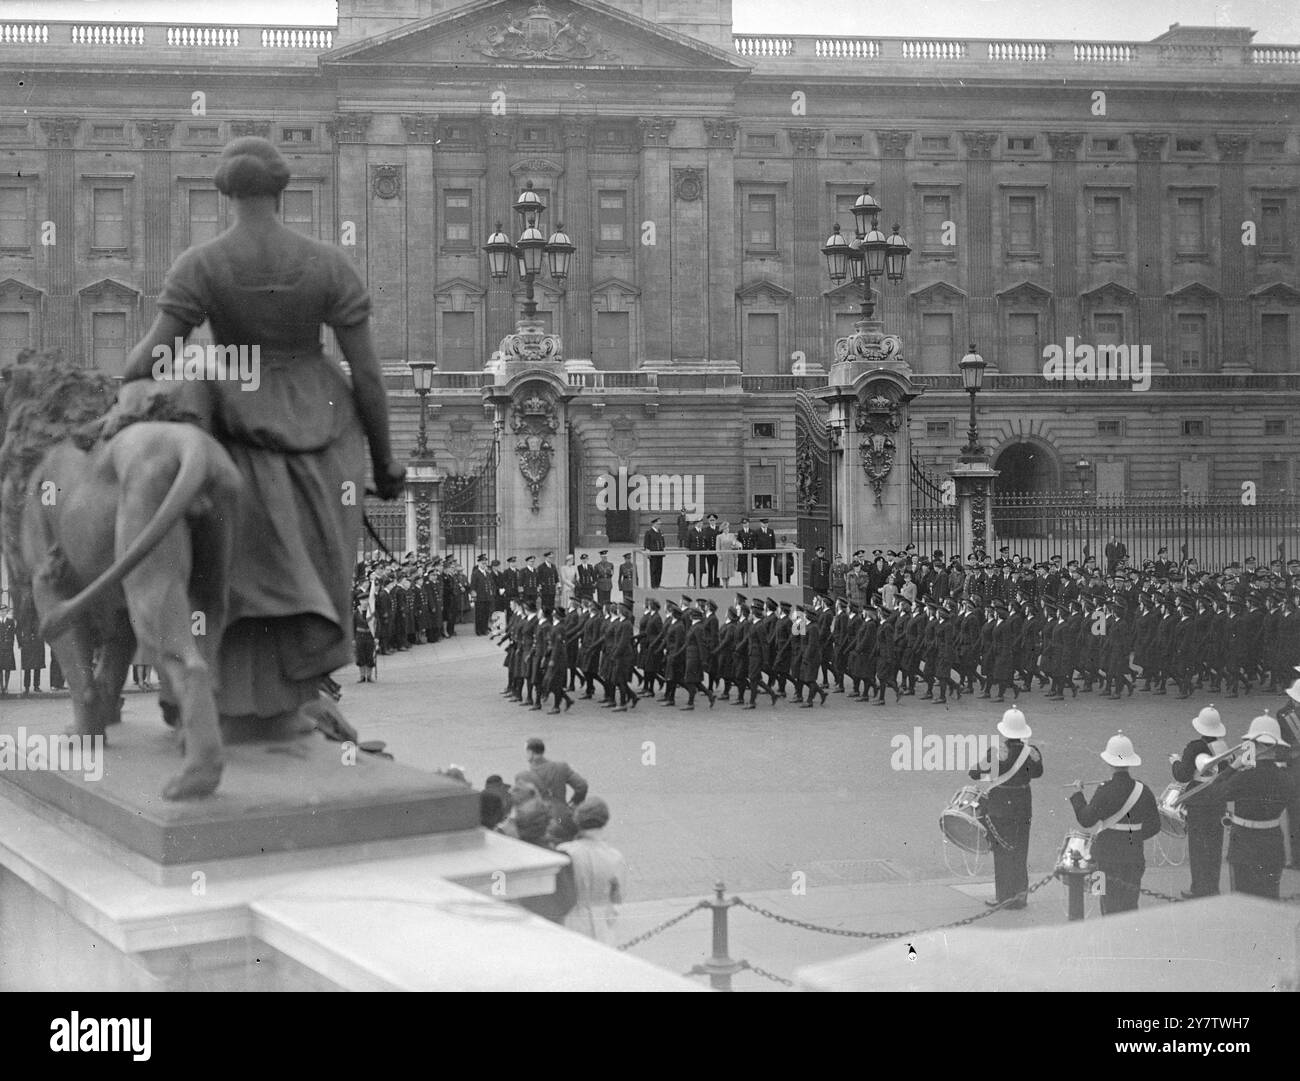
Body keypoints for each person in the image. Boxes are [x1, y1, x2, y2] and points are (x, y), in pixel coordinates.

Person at [118, 136, 404, 743]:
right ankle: (283, 705)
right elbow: (370, 378)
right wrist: (386, 464)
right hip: (325, 432)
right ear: (282, 190)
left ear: (226, 192)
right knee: (311, 572)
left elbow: (148, 357)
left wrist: (148, 381)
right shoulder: (328, 263)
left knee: (227, 573)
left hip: (231, 423)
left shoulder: (202, 263)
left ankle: (221, 702)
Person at [1069, 732, 1161, 914]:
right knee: (1130, 903)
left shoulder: (1105, 789)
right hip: (1134, 854)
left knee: (1106, 902)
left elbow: (1086, 820)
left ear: (1110, 762)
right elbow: (1155, 825)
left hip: (1104, 856)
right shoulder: (1143, 790)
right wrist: (1133, 835)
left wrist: (1078, 795)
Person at [969, 707, 1043, 908]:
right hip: (1023, 807)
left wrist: (992, 773)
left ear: (1004, 731)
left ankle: (1003, 897)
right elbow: (1038, 773)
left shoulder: (996, 753)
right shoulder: (1032, 752)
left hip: (1000, 808)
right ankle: (1020, 895)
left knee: (1002, 854)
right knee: (1020, 851)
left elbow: (974, 773)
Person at [1215, 713, 1292, 899]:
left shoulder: (1245, 775)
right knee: (1269, 900)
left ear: (1257, 745)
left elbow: (1215, 792)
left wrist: (1234, 766)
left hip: (1244, 844)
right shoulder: (1284, 776)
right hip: (1272, 842)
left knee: (1244, 904)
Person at [1168, 704, 1228, 898]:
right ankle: (1212, 887)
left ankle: (1199, 888)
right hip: (1217, 799)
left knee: (1198, 848)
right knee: (1214, 846)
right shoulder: (1223, 746)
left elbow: (1183, 775)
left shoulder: (1194, 747)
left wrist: (1175, 762)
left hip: (1199, 801)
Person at [558, 797, 627, 945]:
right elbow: (617, 896)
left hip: (572, 921)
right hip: (603, 924)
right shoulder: (615, 857)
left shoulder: (565, 851)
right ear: (605, 821)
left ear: (578, 821)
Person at [525, 737, 588, 819]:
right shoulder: (561, 767)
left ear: (530, 753)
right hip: (561, 818)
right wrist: (573, 804)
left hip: (540, 822)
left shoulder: (526, 776)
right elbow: (582, 786)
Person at [470, 554, 493, 636]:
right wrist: (474, 597)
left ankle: (485, 629)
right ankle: (478, 630)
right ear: (479, 563)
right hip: (479, 597)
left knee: (486, 614)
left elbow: (490, 584)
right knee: (479, 614)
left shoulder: (487, 573)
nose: (484, 565)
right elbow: (473, 586)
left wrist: (490, 595)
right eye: (482, 563)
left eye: (485, 563)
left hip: (487, 597)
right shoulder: (475, 573)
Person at [643, 517, 666, 588]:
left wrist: (663, 550)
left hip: (660, 554)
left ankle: (658, 584)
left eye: (660, 524)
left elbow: (662, 542)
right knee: (653, 570)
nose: (660, 525)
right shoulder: (649, 532)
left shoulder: (660, 532)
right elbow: (646, 543)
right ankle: (653, 585)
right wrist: (647, 551)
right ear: (654, 524)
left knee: (659, 570)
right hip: (653, 554)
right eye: (658, 524)